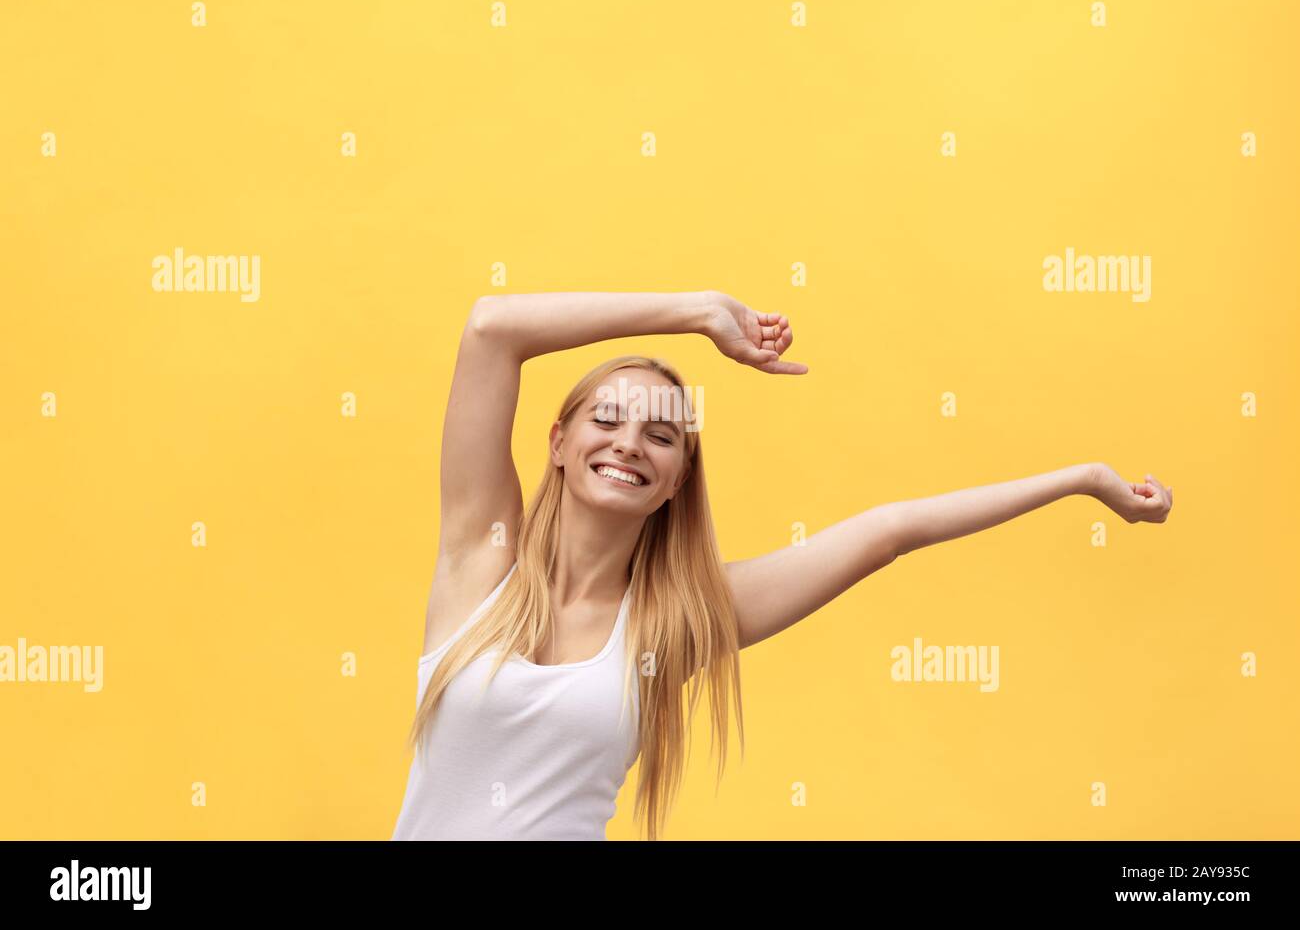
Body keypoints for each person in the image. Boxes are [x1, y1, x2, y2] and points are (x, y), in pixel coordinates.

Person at [390, 290, 1173, 841]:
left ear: (674, 485)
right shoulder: (481, 562)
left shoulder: (679, 624)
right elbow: (491, 328)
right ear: (559, 444)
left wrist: (1082, 480)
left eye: (662, 437)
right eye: (607, 419)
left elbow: (891, 531)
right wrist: (696, 312)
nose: (630, 442)